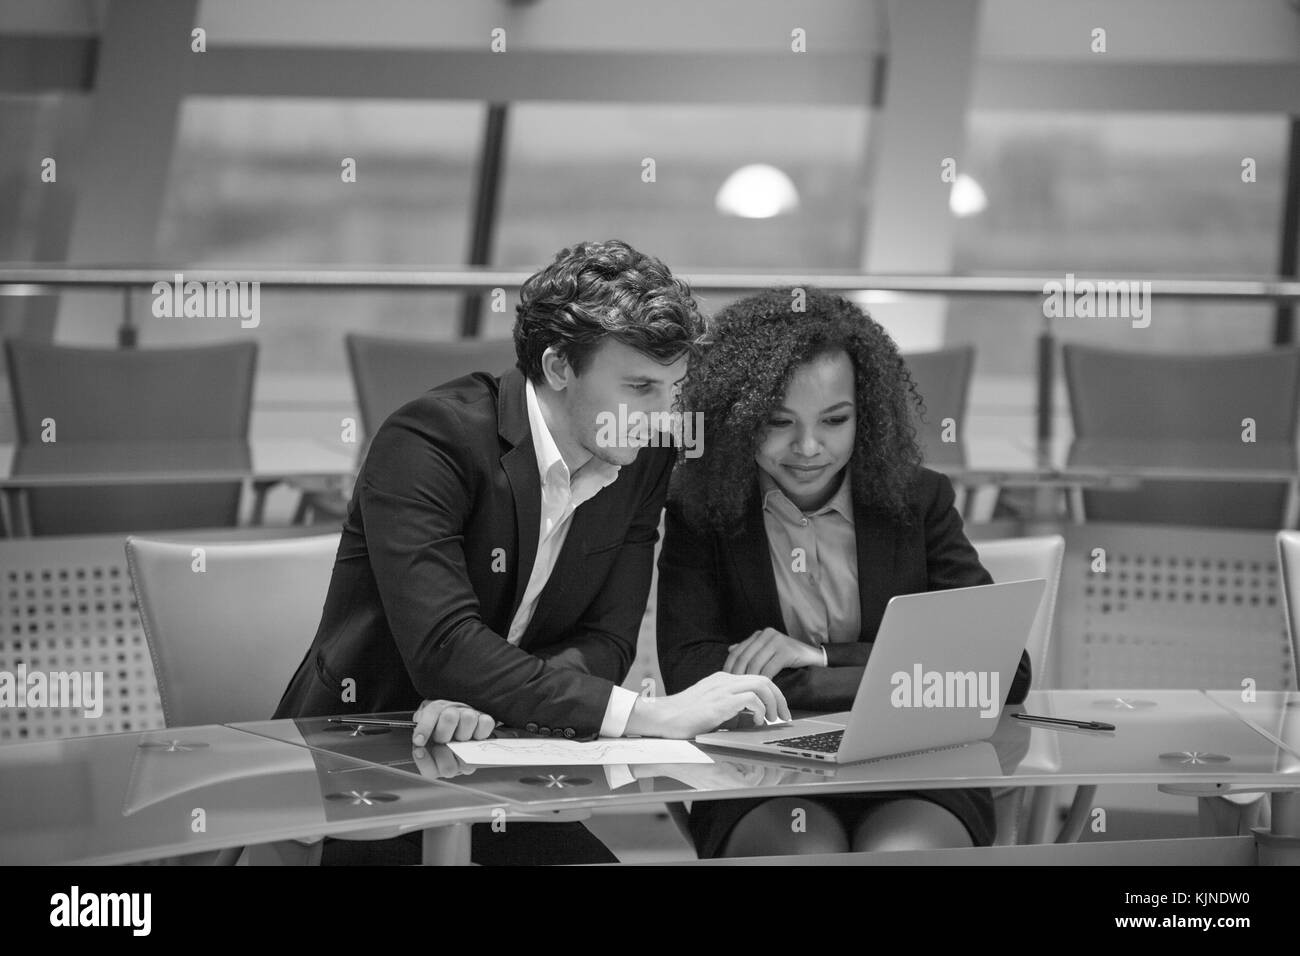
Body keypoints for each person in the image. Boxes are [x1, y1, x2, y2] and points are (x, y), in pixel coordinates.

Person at [274, 240, 788, 864]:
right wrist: (645, 715)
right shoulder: (429, 440)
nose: (662, 415)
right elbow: (445, 646)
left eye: (673, 389)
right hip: (364, 760)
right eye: (641, 387)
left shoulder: (643, 456)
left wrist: (489, 696)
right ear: (559, 366)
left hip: (504, 757)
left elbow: (609, 639)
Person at [657, 286, 1031, 859]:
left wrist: (822, 659)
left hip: (915, 761)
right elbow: (692, 674)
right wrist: (895, 677)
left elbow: (1002, 671)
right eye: (778, 422)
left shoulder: (918, 499)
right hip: (759, 765)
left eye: (834, 420)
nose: (808, 447)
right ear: (738, 419)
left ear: (867, 414)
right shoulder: (700, 508)